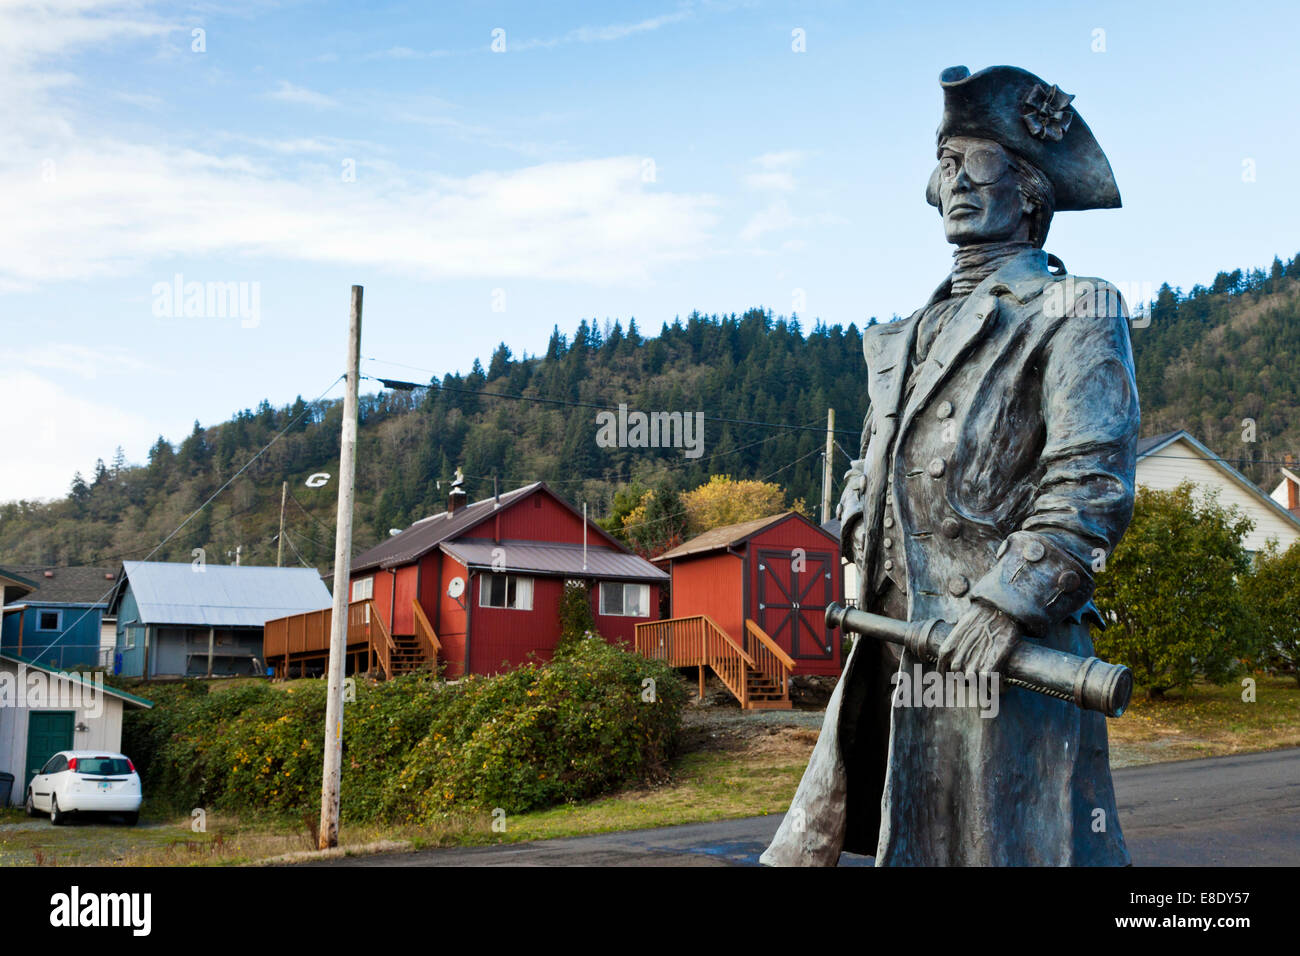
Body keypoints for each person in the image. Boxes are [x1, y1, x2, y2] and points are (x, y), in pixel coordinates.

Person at [761, 65, 1138, 866]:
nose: (956, 181)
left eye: (982, 163)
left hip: (1003, 657)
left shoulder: (1076, 310)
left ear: (1030, 192)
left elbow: (1092, 479)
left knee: (1011, 848)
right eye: (946, 164)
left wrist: (1007, 603)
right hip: (896, 645)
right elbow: (876, 474)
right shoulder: (901, 338)